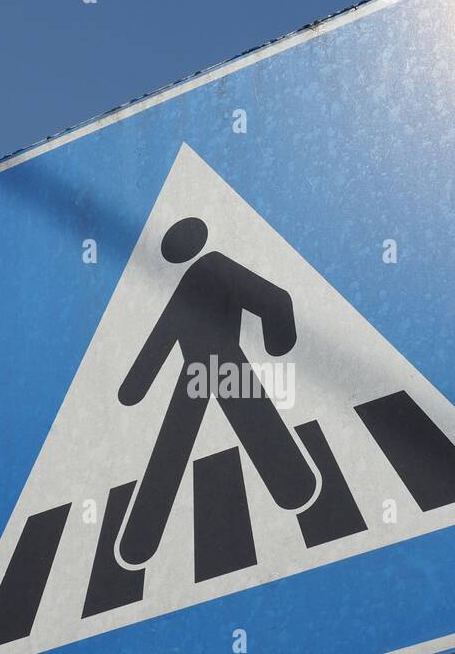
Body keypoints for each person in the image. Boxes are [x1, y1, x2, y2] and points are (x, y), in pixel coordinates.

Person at [116, 216, 317, 568]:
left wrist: (136, 385)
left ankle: (140, 538)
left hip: (215, 366)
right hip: (209, 368)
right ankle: (139, 539)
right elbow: (165, 334)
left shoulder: (211, 268)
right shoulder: (199, 274)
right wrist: (135, 385)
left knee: (175, 446)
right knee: (185, 444)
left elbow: (272, 298)